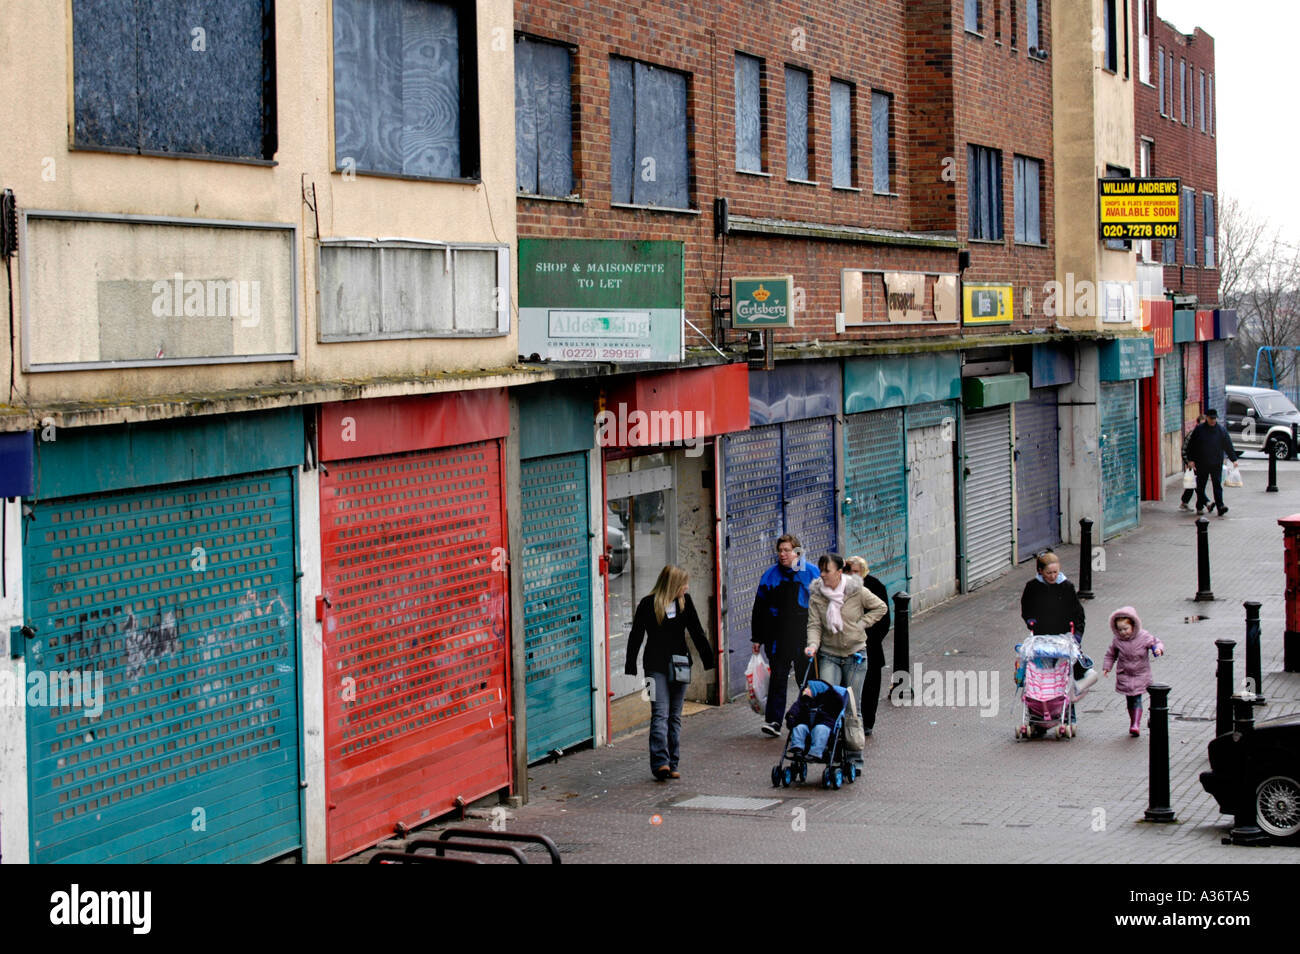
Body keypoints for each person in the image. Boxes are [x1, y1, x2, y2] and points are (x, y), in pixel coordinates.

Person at [625, 565, 715, 780]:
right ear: (673, 585)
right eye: (684, 584)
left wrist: (708, 660)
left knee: (674, 716)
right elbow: (636, 635)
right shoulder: (648, 604)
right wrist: (630, 664)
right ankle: (660, 763)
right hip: (654, 668)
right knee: (659, 713)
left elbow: (697, 631)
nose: (686, 587)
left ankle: (673, 763)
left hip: (680, 667)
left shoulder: (686, 603)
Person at [805, 553, 888, 762]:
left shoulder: (856, 590)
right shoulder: (817, 595)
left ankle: (854, 756)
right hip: (829, 655)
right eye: (821, 570)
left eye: (827, 570)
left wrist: (861, 624)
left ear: (839, 572)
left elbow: (881, 607)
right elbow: (814, 625)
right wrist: (813, 645)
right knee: (827, 702)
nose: (822, 575)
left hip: (855, 655)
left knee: (852, 707)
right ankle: (827, 749)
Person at [751, 534, 820, 737]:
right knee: (778, 679)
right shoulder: (770, 576)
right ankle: (774, 721)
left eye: (787, 550)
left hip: (803, 635)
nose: (782, 555)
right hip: (778, 636)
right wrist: (757, 638)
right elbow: (759, 609)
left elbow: (822, 604)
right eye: (780, 551)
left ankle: (810, 719)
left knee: (806, 679)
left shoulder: (810, 573)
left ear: (797, 552)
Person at [1102, 606, 1165, 736]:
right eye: (1120, 630)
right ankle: (1133, 721)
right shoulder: (1117, 640)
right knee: (1130, 699)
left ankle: (1135, 724)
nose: (1123, 632)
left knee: (1136, 698)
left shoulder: (1144, 636)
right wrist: (1107, 667)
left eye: (1126, 629)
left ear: (1133, 625)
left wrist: (1158, 649)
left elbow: (1155, 642)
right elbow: (1111, 654)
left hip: (1140, 673)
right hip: (1125, 674)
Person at [846, 556, 890, 736]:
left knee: (871, 686)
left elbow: (884, 619)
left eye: (856, 572)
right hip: (848, 646)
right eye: (850, 571)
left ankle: (867, 722)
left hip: (869, 645)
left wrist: (868, 637)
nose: (852, 575)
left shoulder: (875, 587)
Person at [1185, 408, 1239, 517]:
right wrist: (1190, 460)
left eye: (1214, 419)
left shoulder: (1221, 430)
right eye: (1211, 418)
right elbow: (1192, 445)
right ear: (1207, 418)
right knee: (1201, 486)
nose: (1213, 421)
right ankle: (1199, 506)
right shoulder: (1199, 430)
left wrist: (1234, 459)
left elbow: (1228, 445)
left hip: (1216, 463)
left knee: (1217, 485)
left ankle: (1220, 506)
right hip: (1202, 463)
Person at [784, 680, 845, 760]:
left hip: (823, 723)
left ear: (816, 690)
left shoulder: (830, 702)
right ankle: (797, 748)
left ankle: (815, 752)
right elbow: (795, 708)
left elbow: (836, 709)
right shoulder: (804, 700)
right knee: (799, 727)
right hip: (807, 724)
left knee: (820, 730)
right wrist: (791, 716)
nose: (805, 690)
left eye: (808, 688)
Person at [1178, 415, 1206, 511]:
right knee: (1196, 484)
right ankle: (1206, 502)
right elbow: (1184, 449)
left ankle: (1184, 502)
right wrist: (1188, 462)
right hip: (1193, 464)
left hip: (1200, 464)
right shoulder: (1192, 435)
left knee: (1192, 484)